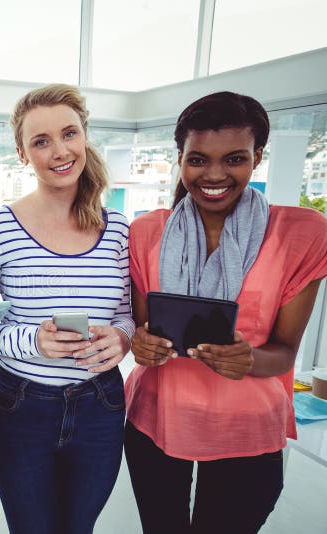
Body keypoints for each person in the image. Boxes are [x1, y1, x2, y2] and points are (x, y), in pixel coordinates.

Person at [125, 91, 327, 534]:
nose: (214, 174)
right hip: (158, 416)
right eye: (198, 159)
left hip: (247, 427)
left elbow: (287, 352)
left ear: (257, 157)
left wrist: (250, 359)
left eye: (234, 158)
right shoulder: (145, 231)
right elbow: (143, 331)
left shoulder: (301, 232)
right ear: (180, 158)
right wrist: (141, 345)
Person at [0, 84, 134, 534]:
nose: (59, 151)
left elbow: (126, 313)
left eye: (69, 134)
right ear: (22, 154)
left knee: (79, 528)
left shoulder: (119, 229)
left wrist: (122, 338)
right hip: (22, 406)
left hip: (100, 405)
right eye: (41, 141)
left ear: (85, 136)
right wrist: (35, 339)